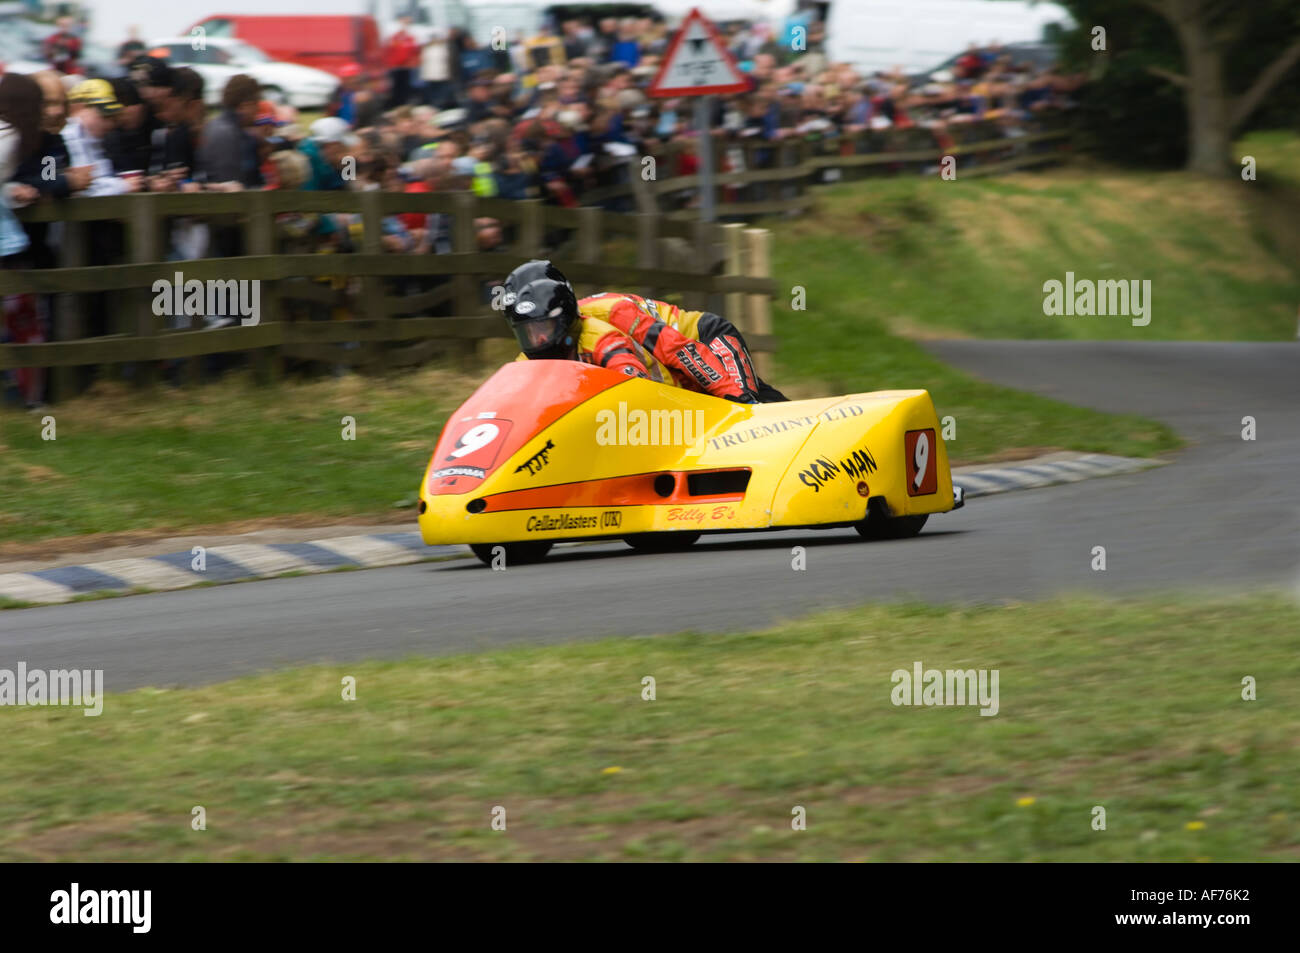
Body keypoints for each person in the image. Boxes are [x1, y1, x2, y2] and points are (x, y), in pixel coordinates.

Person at [501, 260, 784, 403]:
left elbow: (678, 350)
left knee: (747, 405)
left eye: (542, 326)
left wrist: (738, 398)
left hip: (703, 340)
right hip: (678, 370)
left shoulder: (611, 314)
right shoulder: (553, 342)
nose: (536, 339)